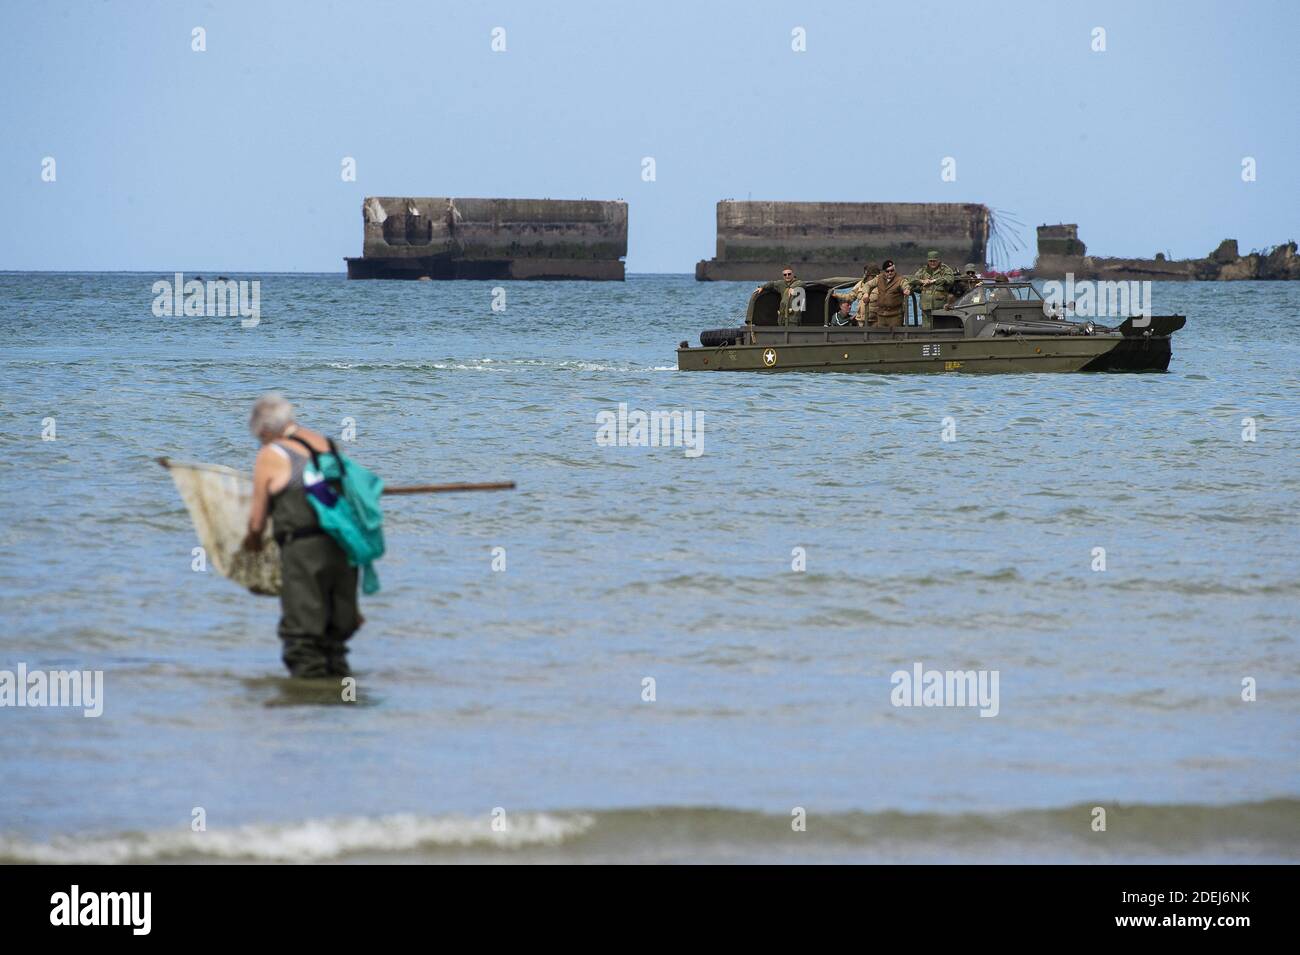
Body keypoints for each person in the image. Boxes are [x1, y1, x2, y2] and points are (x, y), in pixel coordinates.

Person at [243, 393, 361, 678]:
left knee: (303, 636)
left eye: (260, 437)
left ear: (266, 430)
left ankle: (306, 706)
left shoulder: (272, 453)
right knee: (336, 634)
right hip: (344, 548)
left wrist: (252, 546)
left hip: (305, 552)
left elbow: (257, 522)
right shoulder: (330, 446)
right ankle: (340, 704)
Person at [910, 250, 956, 327]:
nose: (932, 263)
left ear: (938, 260)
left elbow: (950, 279)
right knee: (926, 328)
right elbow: (911, 279)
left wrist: (934, 281)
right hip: (925, 308)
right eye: (930, 261)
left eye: (934, 261)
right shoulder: (923, 271)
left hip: (939, 308)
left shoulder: (945, 270)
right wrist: (922, 281)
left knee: (940, 328)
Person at [863, 260, 911, 328]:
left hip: (895, 315)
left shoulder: (900, 279)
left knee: (895, 335)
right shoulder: (879, 278)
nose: (890, 273)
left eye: (892, 270)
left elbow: (905, 285)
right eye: (887, 271)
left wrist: (906, 290)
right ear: (883, 271)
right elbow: (867, 285)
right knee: (881, 335)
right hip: (881, 315)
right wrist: (866, 293)